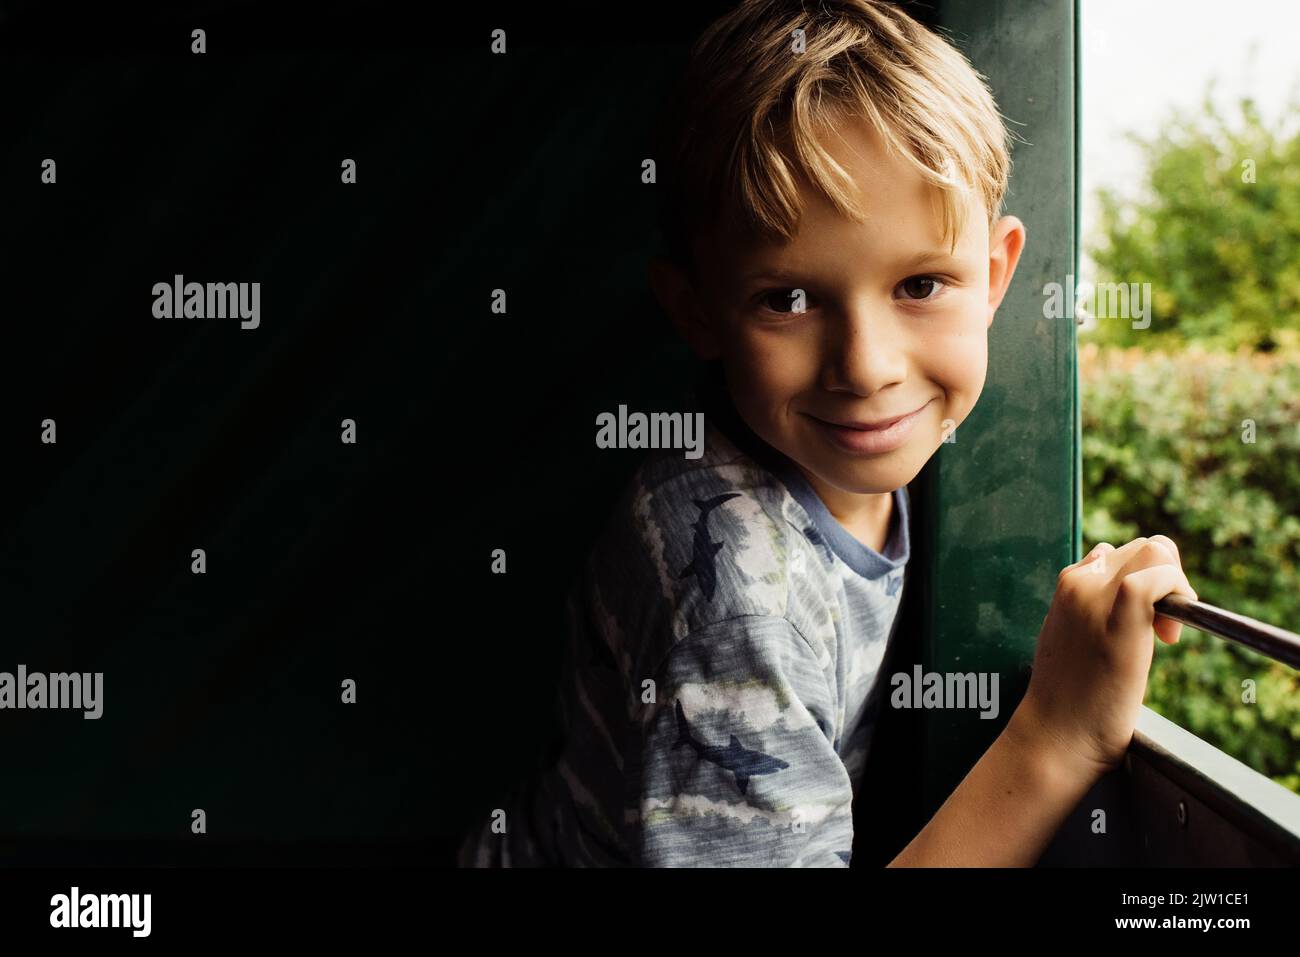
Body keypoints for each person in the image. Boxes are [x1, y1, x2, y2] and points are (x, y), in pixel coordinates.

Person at [457, 0, 1196, 867]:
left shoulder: (850, 455)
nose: (867, 365)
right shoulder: (736, 597)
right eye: (790, 299)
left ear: (994, 275)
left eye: (921, 284)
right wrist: (1057, 736)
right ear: (696, 309)